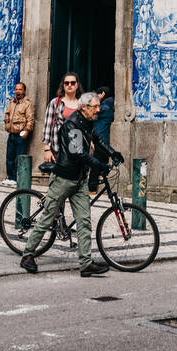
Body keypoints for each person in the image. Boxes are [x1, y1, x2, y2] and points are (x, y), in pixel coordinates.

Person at [19, 90, 112, 278]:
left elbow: (97, 139)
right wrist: (99, 165)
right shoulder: (72, 125)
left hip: (79, 181)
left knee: (84, 221)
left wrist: (112, 152)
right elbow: (78, 153)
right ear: (85, 107)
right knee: (47, 217)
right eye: (95, 107)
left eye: (98, 107)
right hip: (63, 179)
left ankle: (86, 264)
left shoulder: (87, 122)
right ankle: (28, 255)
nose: (98, 110)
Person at [3, 81, 34, 184]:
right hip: (11, 133)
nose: (18, 91)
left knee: (20, 157)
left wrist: (26, 130)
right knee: (10, 157)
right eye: (16, 89)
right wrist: (6, 124)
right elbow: (7, 115)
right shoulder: (11, 102)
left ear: (24, 91)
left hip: (21, 134)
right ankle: (10, 177)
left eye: (20, 89)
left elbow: (30, 119)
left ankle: (18, 178)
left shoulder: (27, 103)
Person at [90, 86, 115, 193]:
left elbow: (88, 110)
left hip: (100, 141)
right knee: (100, 164)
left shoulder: (104, 107)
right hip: (103, 140)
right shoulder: (109, 106)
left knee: (95, 165)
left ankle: (91, 188)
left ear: (103, 94)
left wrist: (97, 100)